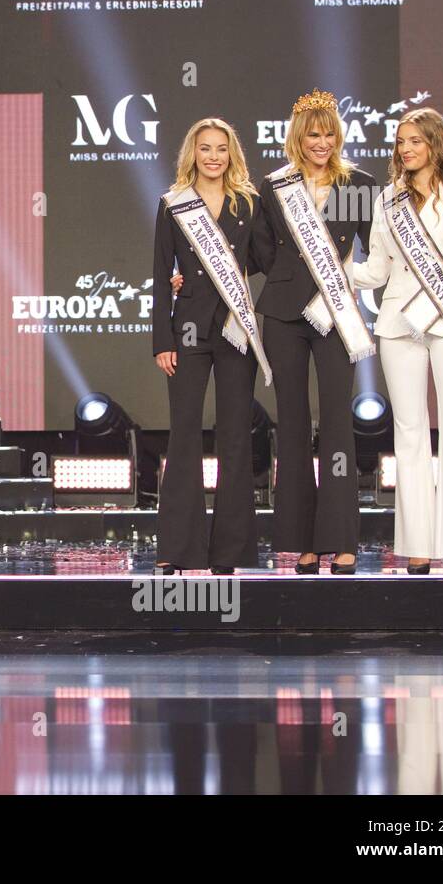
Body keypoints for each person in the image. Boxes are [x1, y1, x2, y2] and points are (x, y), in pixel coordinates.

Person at [350, 108, 443, 575]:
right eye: (400, 142)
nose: (406, 149)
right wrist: (332, 268)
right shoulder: (388, 199)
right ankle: (417, 545)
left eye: (415, 140)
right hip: (397, 327)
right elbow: (375, 268)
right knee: (409, 434)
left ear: (435, 144)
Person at [253, 90, 377, 575]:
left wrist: (345, 277)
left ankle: (341, 541)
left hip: (335, 315)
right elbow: (260, 252)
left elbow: (380, 253)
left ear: (338, 136)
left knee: (338, 425)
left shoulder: (360, 184)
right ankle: (303, 543)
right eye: (312, 135)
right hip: (284, 313)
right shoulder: (273, 186)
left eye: (328, 134)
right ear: (297, 139)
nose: (321, 143)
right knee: (293, 422)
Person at [152, 118, 268, 574]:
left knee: (235, 438)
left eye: (222, 148)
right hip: (187, 331)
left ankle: (229, 553)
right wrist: (163, 338)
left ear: (231, 154)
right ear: (192, 153)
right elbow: (161, 274)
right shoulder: (172, 205)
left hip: (236, 329)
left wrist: (237, 274)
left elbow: (263, 258)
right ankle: (176, 550)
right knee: (184, 436)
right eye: (205, 148)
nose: (214, 156)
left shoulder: (249, 204)